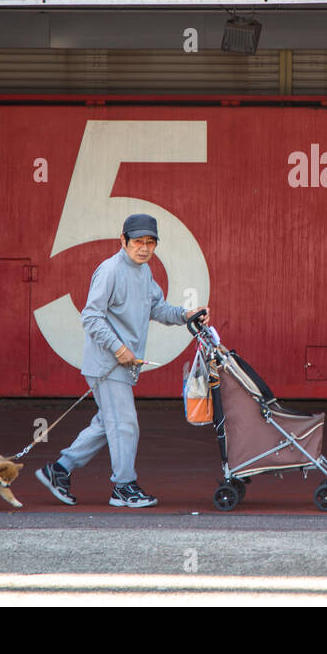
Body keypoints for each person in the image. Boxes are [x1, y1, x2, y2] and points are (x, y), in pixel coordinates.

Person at [36, 213, 208, 508]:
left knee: (108, 423)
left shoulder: (144, 271)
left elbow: (157, 307)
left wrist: (185, 315)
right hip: (108, 364)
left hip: (121, 365)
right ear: (123, 241)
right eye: (138, 242)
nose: (144, 248)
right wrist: (118, 349)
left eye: (150, 242)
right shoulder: (110, 270)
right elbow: (90, 316)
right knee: (125, 424)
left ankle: (59, 471)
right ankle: (123, 487)